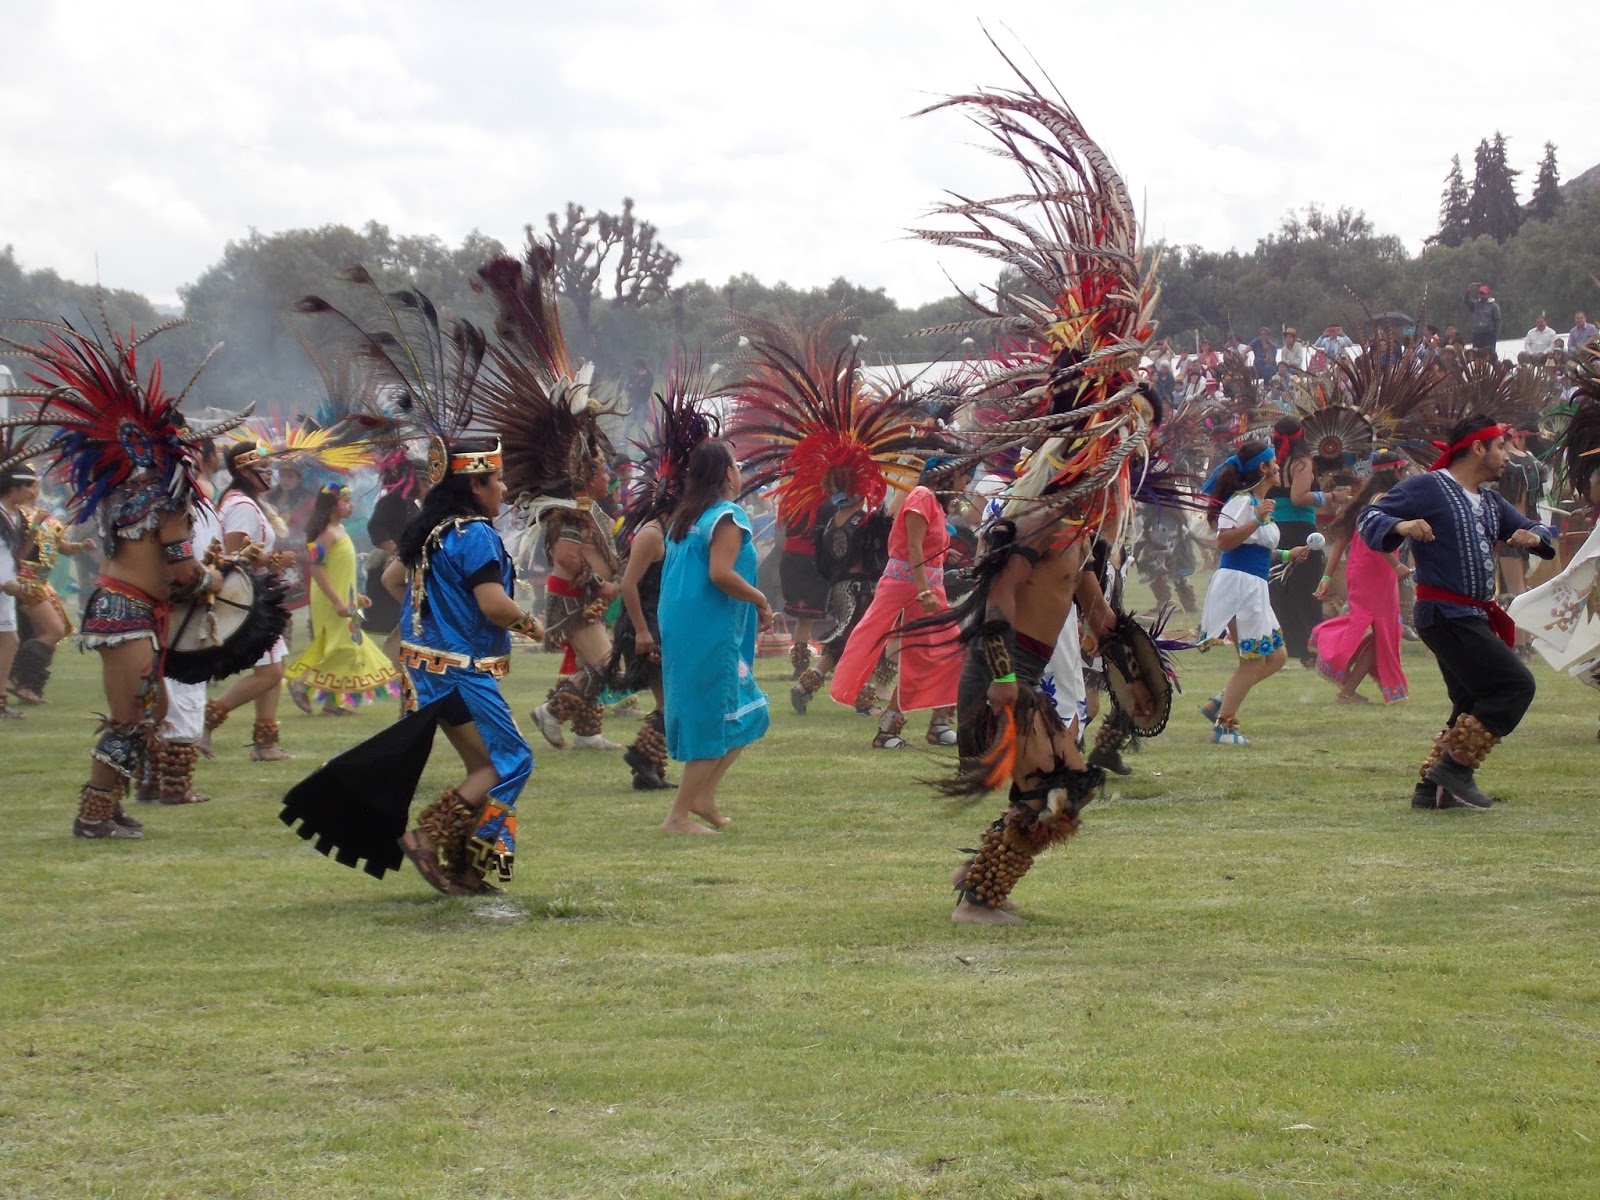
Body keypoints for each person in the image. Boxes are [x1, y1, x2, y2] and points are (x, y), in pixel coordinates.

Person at [6, 317, 249, 839]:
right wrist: (218, 579)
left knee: (150, 708)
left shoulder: (124, 492)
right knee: (133, 714)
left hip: (129, 611)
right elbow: (184, 574)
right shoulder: (170, 500)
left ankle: (109, 807)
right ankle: (93, 817)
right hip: (126, 613)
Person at [1356, 416, 1554, 809]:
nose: (1506, 458)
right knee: (1515, 685)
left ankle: (1433, 791)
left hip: (1469, 615)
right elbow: (1370, 518)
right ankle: (1455, 769)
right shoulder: (1428, 487)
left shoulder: (1492, 502)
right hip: (1446, 613)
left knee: (1471, 700)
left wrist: (1536, 537)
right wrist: (1404, 524)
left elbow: (1542, 531)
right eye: (1500, 447)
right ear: (1478, 448)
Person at [657, 441, 771, 834]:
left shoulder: (686, 518)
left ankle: (703, 797)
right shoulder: (727, 516)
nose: (740, 471)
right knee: (713, 717)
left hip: (685, 629)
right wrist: (760, 599)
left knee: (751, 711)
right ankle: (678, 816)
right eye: (736, 465)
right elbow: (721, 574)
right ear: (726, 474)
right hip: (709, 631)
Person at [828, 458, 970, 747]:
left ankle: (935, 724)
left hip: (927, 588)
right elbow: (914, 546)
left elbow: (928, 547)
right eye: (964, 476)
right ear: (947, 475)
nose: (966, 483)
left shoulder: (933, 502)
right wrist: (923, 590)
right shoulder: (921, 496)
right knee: (931, 652)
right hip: (913, 588)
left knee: (949, 653)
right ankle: (899, 728)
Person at [1196, 440, 1309, 745]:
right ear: (1263, 467)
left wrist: (1287, 554)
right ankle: (1224, 727)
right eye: (1273, 462)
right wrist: (1256, 520)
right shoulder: (1243, 502)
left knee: (1277, 657)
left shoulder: (1259, 504)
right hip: (1240, 585)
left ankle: (1221, 701)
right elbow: (1225, 542)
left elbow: (1258, 547)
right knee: (1253, 660)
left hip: (1253, 583)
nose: (1277, 467)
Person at [203, 441, 299, 761]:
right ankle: (202, 725)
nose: (269, 473)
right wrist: (275, 561)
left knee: (273, 669)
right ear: (244, 470)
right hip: (247, 598)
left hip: (256, 595)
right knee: (269, 673)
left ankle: (265, 743)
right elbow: (234, 557)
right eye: (263, 467)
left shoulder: (242, 501)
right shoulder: (241, 505)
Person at [283, 482, 402, 712]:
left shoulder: (342, 531)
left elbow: (341, 570)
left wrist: (356, 596)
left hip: (344, 598)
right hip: (330, 601)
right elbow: (316, 568)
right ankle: (299, 683)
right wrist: (337, 601)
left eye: (350, 501)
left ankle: (331, 702)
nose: (351, 505)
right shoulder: (326, 534)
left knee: (348, 645)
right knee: (343, 647)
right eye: (345, 501)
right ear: (332, 505)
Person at [1311, 467, 1409, 704]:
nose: (1406, 476)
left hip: (1364, 571)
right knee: (1385, 632)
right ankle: (1344, 685)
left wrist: (1326, 578)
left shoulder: (1364, 503)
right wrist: (1396, 565)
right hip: (1377, 572)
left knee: (1384, 632)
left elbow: (1340, 543)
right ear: (1395, 472)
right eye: (1404, 471)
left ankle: (1347, 687)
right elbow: (1378, 540)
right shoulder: (1384, 501)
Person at [6, 478, 93, 705]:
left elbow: (63, 547)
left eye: (33, 485)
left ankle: (27, 685)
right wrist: (34, 525)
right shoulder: (15, 517)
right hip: (25, 582)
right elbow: (18, 552)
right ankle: (20, 679)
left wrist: (83, 547)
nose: (31, 490)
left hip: (42, 583)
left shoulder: (48, 518)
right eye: (26, 485)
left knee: (53, 631)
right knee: (52, 630)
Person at [1265, 417, 1337, 667]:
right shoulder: (1302, 462)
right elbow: (1298, 497)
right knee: (1305, 589)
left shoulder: (1272, 461)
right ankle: (1309, 646)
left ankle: (1288, 644)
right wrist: (1328, 496)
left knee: (1280, 588)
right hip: (1300, 531)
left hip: (1276, 528)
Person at [1464, 284, 1502, 358]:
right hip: (1477, 334)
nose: (1482, 296)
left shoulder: (1494, 306)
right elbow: (1466, 301)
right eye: (1480, 294)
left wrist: (1495, 334)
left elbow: (1498, 320)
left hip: (1488, 335)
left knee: (1489, 355)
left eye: (1484, 294)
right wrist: (1468, 291)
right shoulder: (1476, 304)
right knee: (1476, 354)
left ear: (1488, 294)